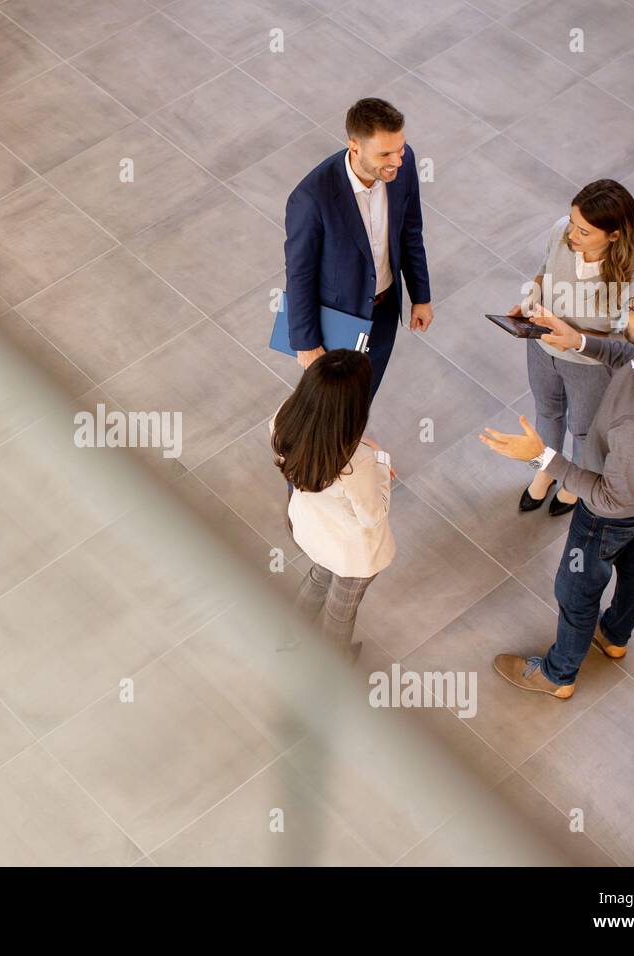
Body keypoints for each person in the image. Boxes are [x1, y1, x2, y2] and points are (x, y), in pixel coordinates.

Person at [480, 269, 634, 698]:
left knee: (575, 588)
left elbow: (608, 496)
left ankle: (558, 673)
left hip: (609, 515)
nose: (628, 309)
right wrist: (579, 341)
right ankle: (615, 636)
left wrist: (541, 457)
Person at [511, 179, 634, 518]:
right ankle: (546, 470)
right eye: (573, 223)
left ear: (614, 235)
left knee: (584, 429)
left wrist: (576, 337)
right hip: (541, 348)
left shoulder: (633, 282)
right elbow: (544, 270)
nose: (572, 234)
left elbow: (627, 344)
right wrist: (531, 300)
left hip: (588, 366)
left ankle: (573, 484)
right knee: (547, 412)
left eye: (584, 232)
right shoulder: (561, 232)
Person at [283, 97, 433, 397]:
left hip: (385, 310)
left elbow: (410, 233)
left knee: (364, 392)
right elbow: (300, 275)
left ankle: (352, 439)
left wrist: (421, 297)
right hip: (339, 319)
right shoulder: (311, 199)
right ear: (355, 147)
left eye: (400, 149)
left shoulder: (402, 166)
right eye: (385, 154)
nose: (397, 162)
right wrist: (307, 343)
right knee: (329, 403)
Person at [271, 349, 395, 652]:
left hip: (310, 529)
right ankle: (334, 667)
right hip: (353, 553)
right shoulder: (357, 463)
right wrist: (381, 458)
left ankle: (290, 638)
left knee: (318, 576)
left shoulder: (283, 419)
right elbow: (373, 515)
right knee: (341, 613)